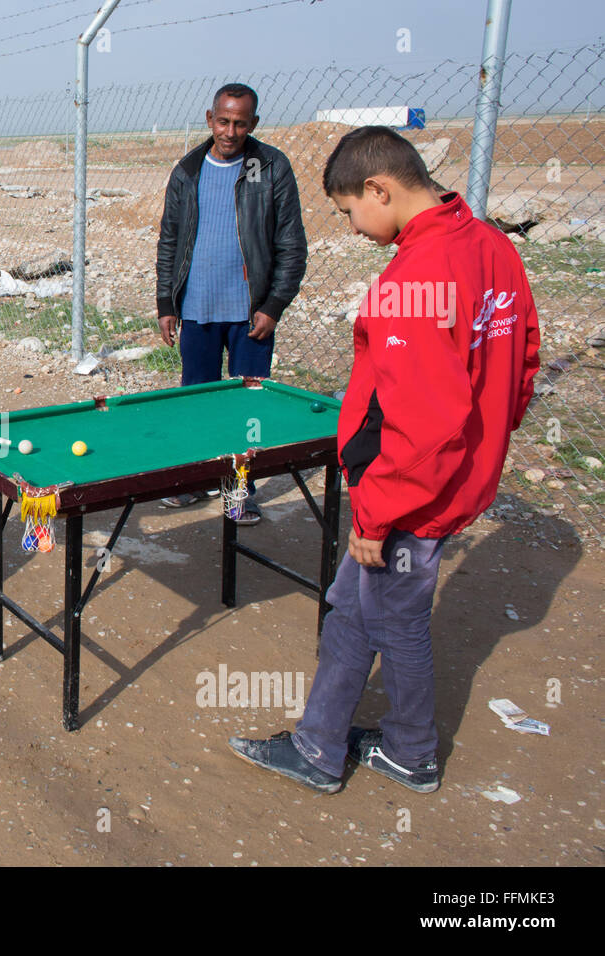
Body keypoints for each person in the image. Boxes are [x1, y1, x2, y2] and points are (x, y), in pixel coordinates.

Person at [227, 127, 541, 794]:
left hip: (411, 491)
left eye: (348, 212)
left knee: (390, 613)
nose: (352, 227)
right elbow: (520, 365)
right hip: (454, 478)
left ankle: (404, 751)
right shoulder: (488, 245)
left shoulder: (417, 278)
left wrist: (376, 514)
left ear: (380, 189)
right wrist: (488, 446)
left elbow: (421, 420)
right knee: (357, 606)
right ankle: (332, 740)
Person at [155, 82, 307, 522]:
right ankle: (193, 480)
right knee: (195, 399)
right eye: (223, 121)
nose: (230, 131)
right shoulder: (187, 170)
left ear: (253, 124)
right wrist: (167, 302)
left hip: (250, 314)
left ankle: (239, 490)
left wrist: (273, 305)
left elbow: (291, 244)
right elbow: (169, 240)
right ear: (210, 119)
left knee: (246, 405)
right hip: (197, 309)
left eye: (241, 123)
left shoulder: (271, 167)